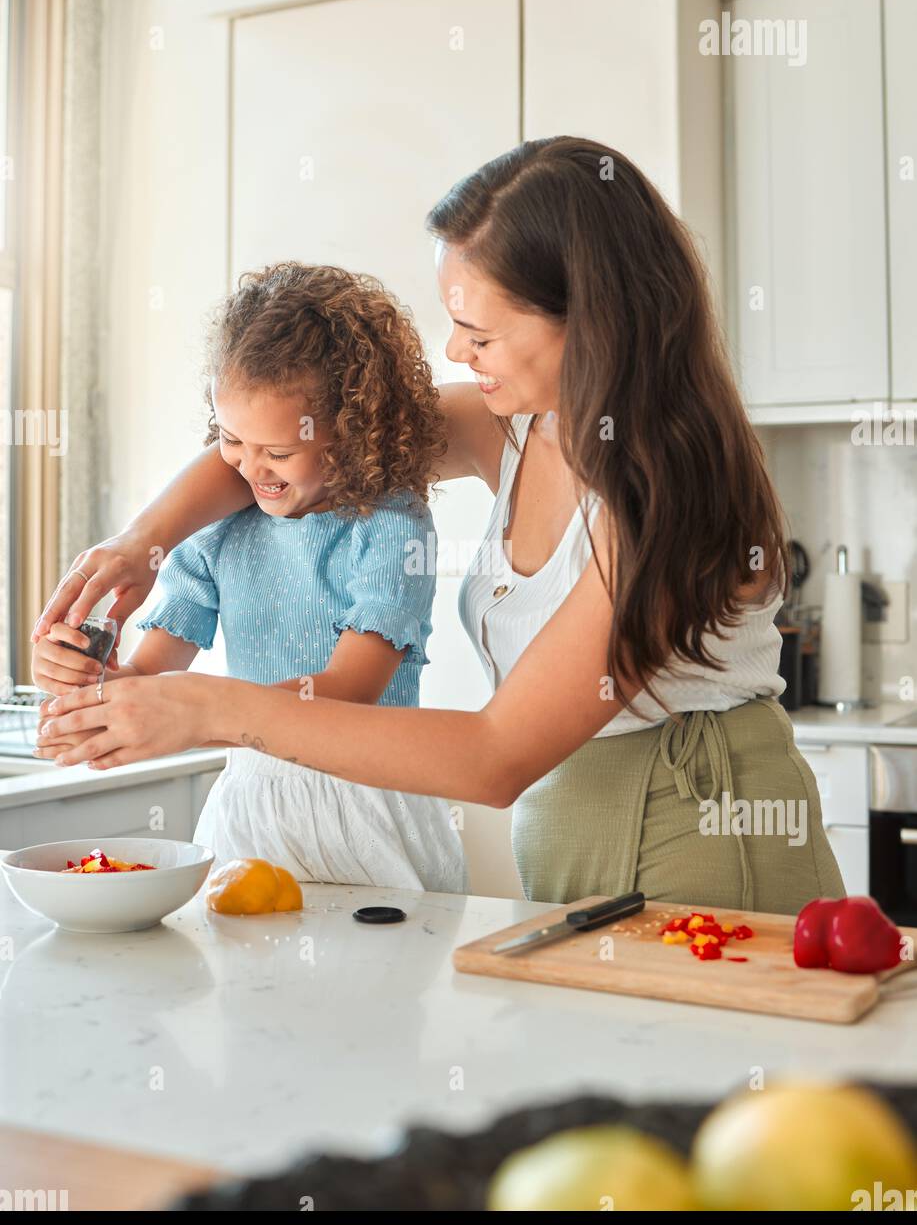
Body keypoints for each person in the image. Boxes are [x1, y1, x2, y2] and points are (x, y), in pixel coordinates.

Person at [34, 137, 844, 913]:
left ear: (593, 320)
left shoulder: (668, 489)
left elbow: (493, 757)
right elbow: (295, 442)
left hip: (703, 829)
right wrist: (139, 545)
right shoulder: (525, 426)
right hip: (570, 827)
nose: (455, 351)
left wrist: (208, 708)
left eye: (481, 333)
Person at [33, 262, 466, 895]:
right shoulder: (220, 525)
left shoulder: (391, 527)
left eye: (279, 452)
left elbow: (348, 691)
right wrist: (94, 681)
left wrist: (198, 710)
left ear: (352, 434)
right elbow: (151, 671)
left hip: (372, 808)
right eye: (231, 440)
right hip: (251, 811)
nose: (249, 469)